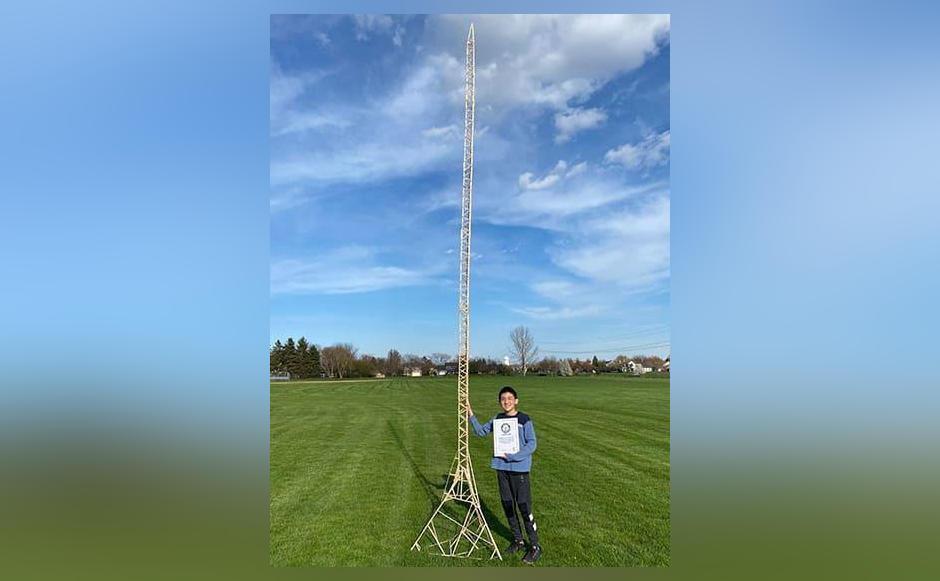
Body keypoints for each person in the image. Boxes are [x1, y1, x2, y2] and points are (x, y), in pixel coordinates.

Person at [468, 386, 542, 564]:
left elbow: (532, 444)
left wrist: (515, 456)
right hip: (502, 469)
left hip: (519, 470)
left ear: (516, 400)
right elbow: (480, 432)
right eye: (503, 399)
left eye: (510, 398)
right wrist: (470, 414)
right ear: (500, 402)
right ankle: (518, 540)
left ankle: (534, 546)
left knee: (524, 507)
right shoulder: (498, 419)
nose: (506, 401)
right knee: (508, 505)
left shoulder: (524, 419)